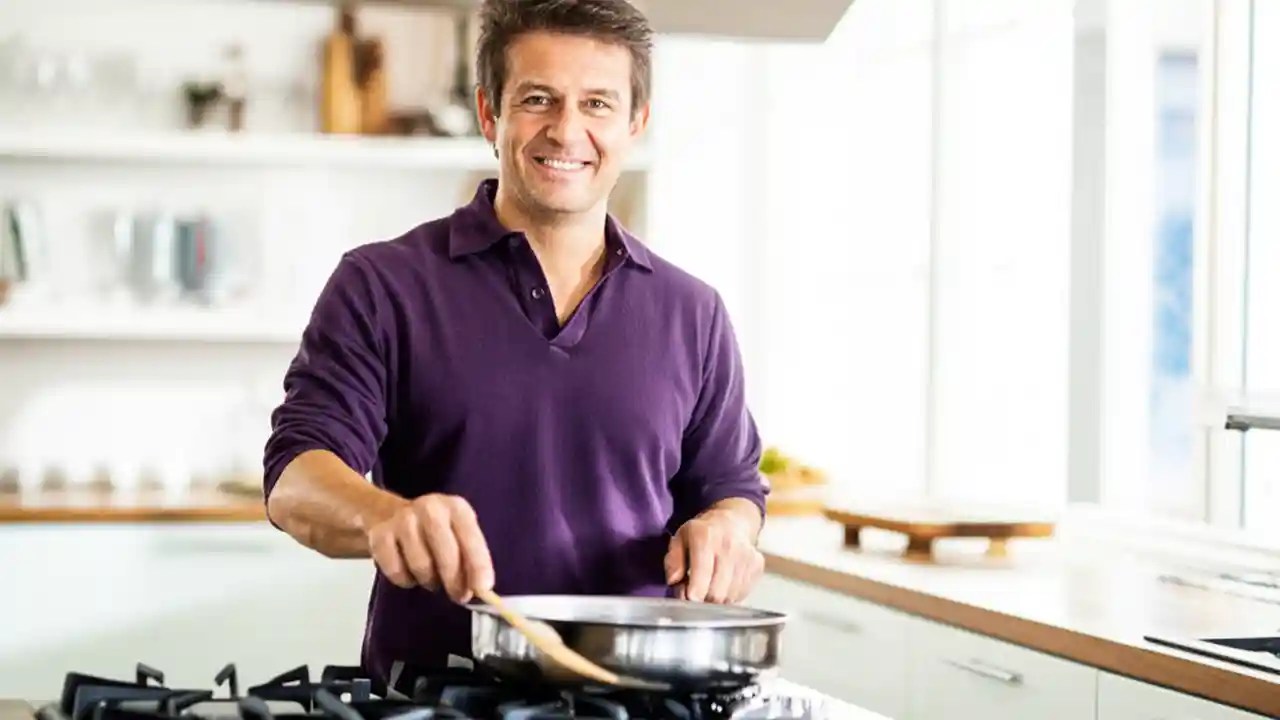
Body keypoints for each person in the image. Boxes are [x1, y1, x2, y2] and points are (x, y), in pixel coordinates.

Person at [261, 0, 768, 685]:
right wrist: (384, 515)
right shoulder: (382, 285)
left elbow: (730, 487)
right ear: (488, 113)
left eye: (597, 104)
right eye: (538, 99)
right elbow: (295, 479)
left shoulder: (693, 313)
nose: (567, 129)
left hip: (636, 693)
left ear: (635, 123)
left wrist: (728, 531)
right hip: (433, 696)